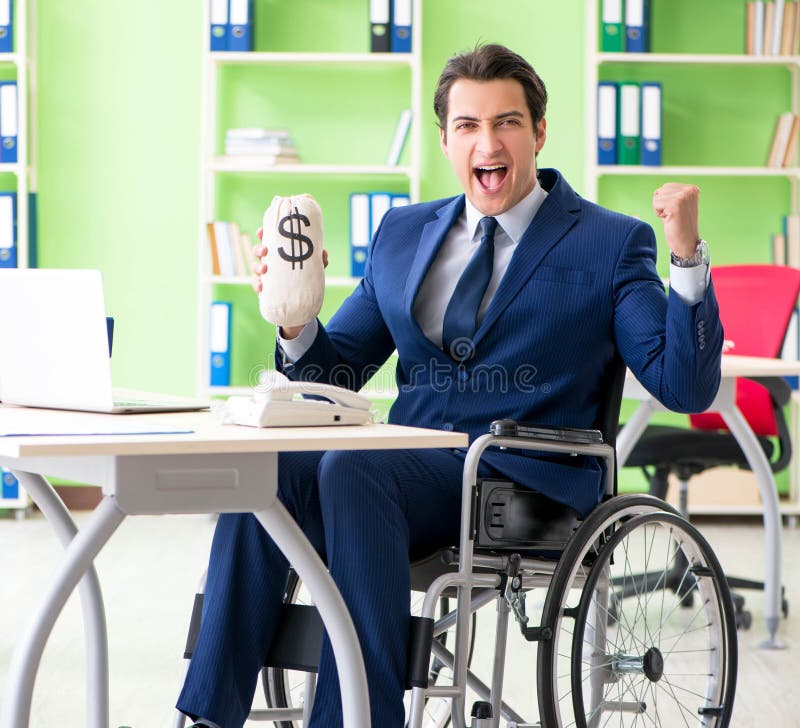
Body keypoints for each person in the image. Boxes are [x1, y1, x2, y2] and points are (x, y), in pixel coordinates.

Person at [177, 43, 722, 728]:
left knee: (352, 470)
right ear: (445, 140)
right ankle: (208, 715)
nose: (487, 143)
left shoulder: (609, 243)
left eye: (507, 123)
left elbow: (685, 385)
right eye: (467, 125)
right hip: (403, 470)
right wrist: (296, 321)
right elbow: (335, 374)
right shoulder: (403, 234)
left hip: (523, 482)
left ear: (539, 132)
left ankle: (359, 720)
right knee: (267, 471)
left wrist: (686, 259)